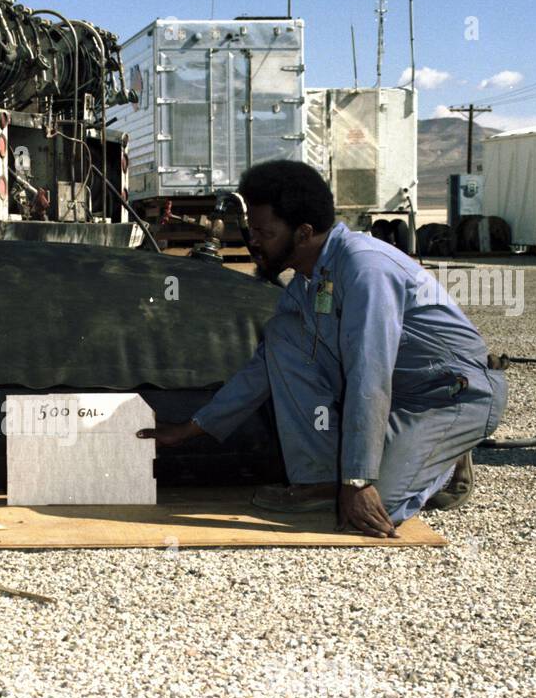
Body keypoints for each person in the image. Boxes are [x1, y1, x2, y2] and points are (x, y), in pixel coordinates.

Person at [139, 160, 507, 538]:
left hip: (450, 396)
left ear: (303, 233)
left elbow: (370, 373)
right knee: (283, 335)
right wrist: (190, 428)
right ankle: (319, 479)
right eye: (252, 231)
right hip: (399, 396)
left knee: (376, 510)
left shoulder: (366, 269)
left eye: (264, 233)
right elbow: (264, 368)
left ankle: (447, 461)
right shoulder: (307, 282)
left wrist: (357, 481)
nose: (253, 242)